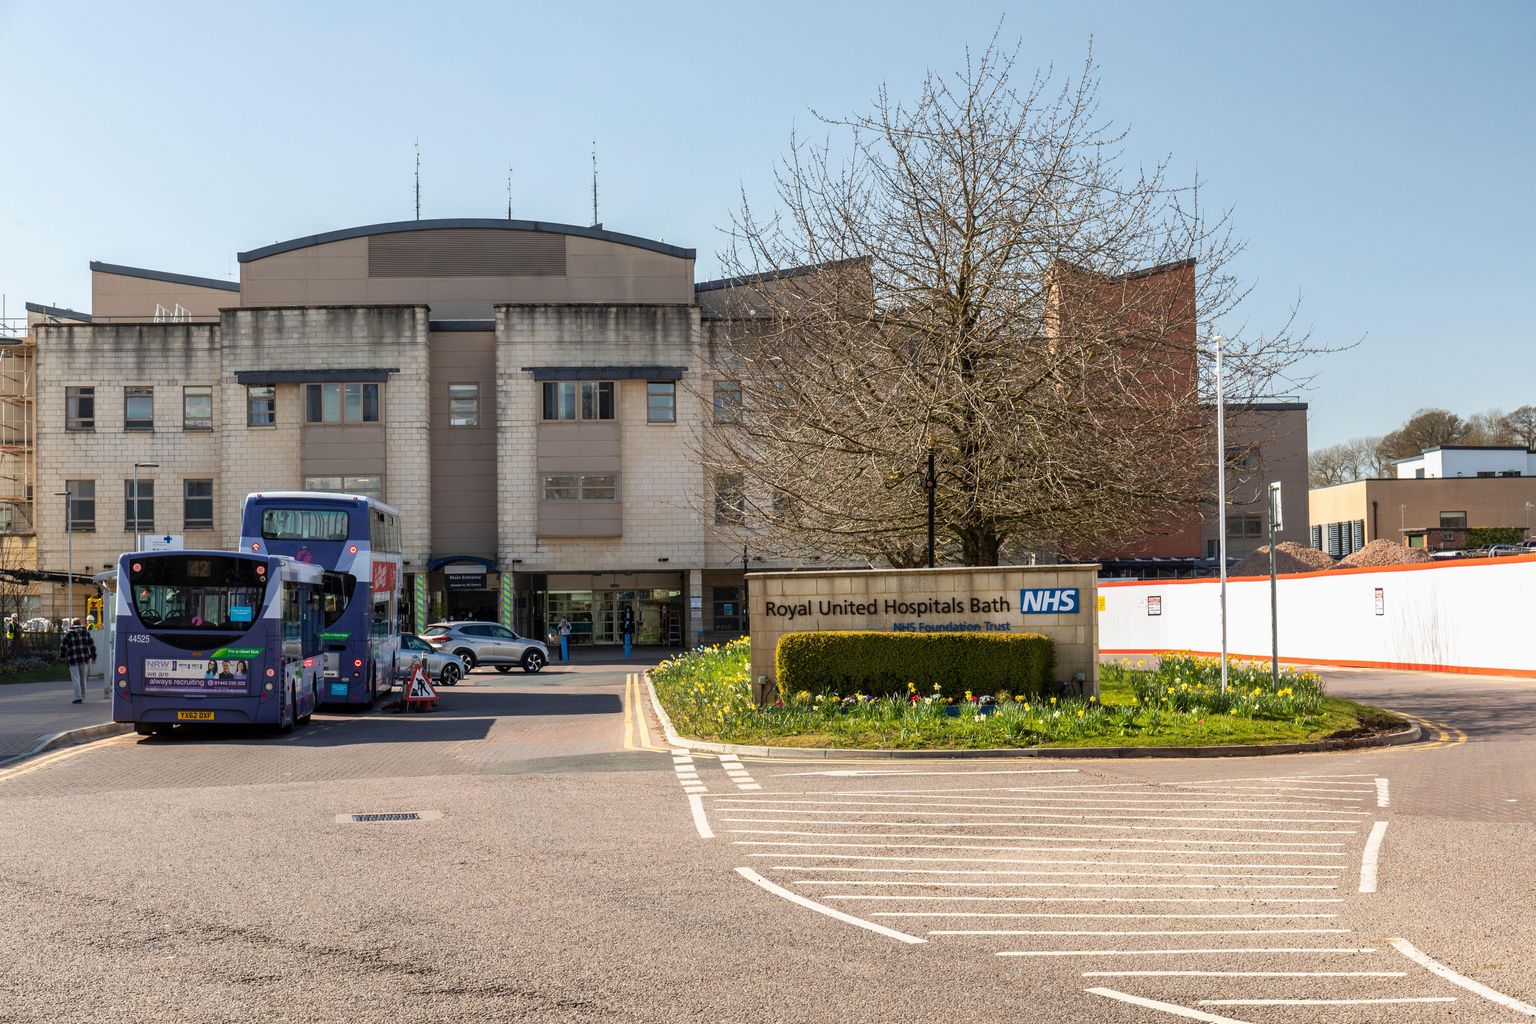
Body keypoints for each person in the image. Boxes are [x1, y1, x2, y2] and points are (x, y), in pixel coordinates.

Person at [58, 618, 96, 704]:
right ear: (80, 624)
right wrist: (93, 657)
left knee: (75, 678)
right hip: (84, 659)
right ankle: (83, 695)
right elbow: (92, 646)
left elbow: (63, 646)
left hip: (73, 659)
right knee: (83, 678)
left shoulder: (68, 634)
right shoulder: (86, 633)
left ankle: (77, 697)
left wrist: (62, 656)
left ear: (73, 624)